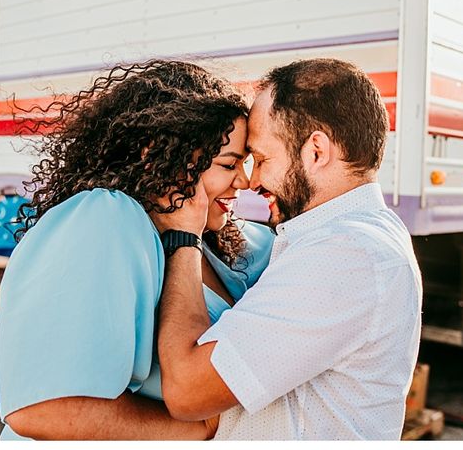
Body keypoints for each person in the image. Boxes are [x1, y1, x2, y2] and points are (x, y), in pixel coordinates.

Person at [148, 59, 423, 440]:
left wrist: (184, 237)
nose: (252, 180)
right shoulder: (370, 234)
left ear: (315, 151)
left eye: (261, 159)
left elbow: (187, 390)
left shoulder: (344, 255)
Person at [0, 60, 253, 439]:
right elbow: (43, 409)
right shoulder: (104, 218)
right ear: (161, 155)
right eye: (229, 164)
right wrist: (197, 430)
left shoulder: (209, 236)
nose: (244, 181)